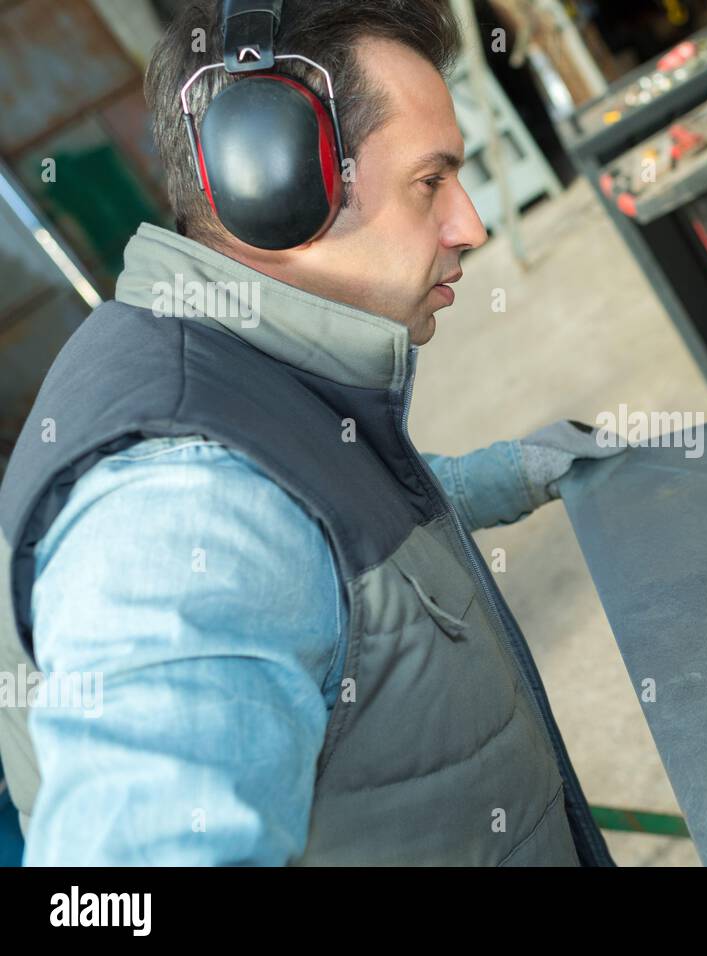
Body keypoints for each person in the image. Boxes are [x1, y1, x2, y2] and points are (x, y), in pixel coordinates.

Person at [0, 0, 620, 865]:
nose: (469, 225)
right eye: (431, 181)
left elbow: (337, 529)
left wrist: (523, 469)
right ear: (277, 182)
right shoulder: (183, 505)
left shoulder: (224, 366)